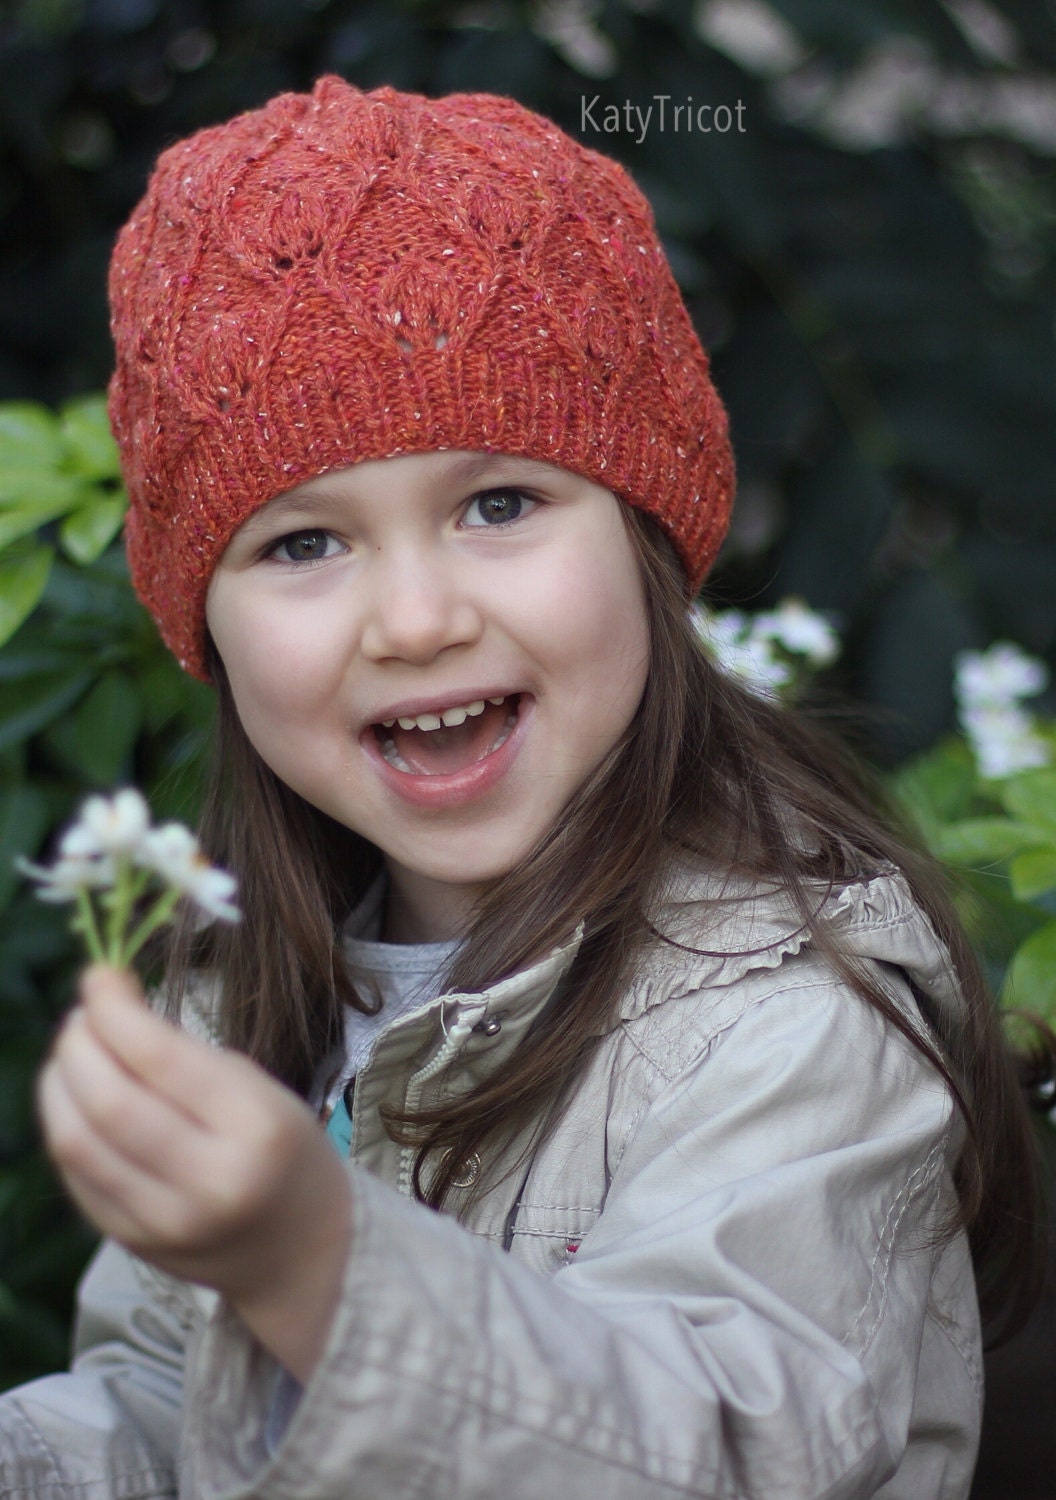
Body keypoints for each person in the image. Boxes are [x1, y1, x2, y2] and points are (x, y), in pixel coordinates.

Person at [0, 75, 1044, 1500]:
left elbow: (728, 1453)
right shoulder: (241, 987)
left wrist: (320, 1266)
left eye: (499, 505)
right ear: (206, 627)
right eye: (304, 544)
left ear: (648, 544)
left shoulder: (792, 1020)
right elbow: (170, 1404)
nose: (416, 620)